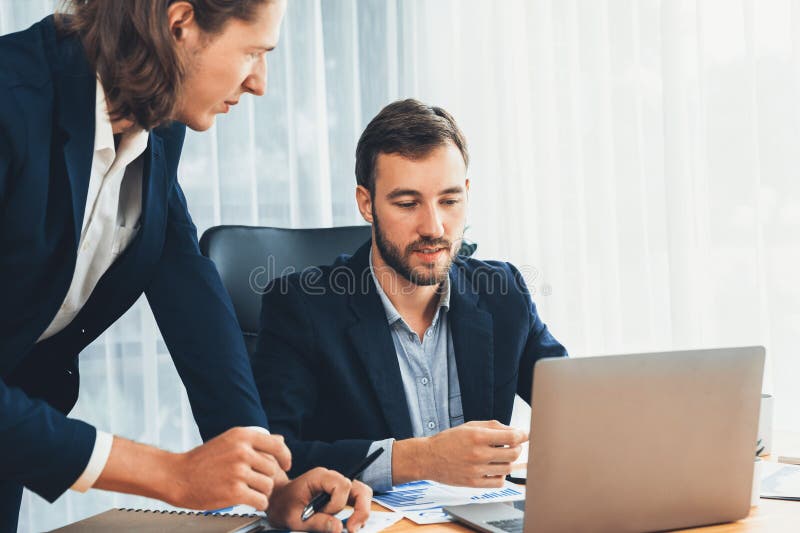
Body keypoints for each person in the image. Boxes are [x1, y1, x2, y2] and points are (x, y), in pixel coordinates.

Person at [0, 1, 369, 531]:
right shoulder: (12, 100)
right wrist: (170, 474)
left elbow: (187, 286)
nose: (260, 83)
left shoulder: (157, 118)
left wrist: (270, 483)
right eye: (253, 53)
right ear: (180, 26)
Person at [252, 99, 569, 492]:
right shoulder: (301, 306)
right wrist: (423, 458)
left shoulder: (504, 293)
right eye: (407, 203)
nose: (433, 226)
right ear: (366, 203)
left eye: (449, 201)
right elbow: (272, 458)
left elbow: (576, 407)